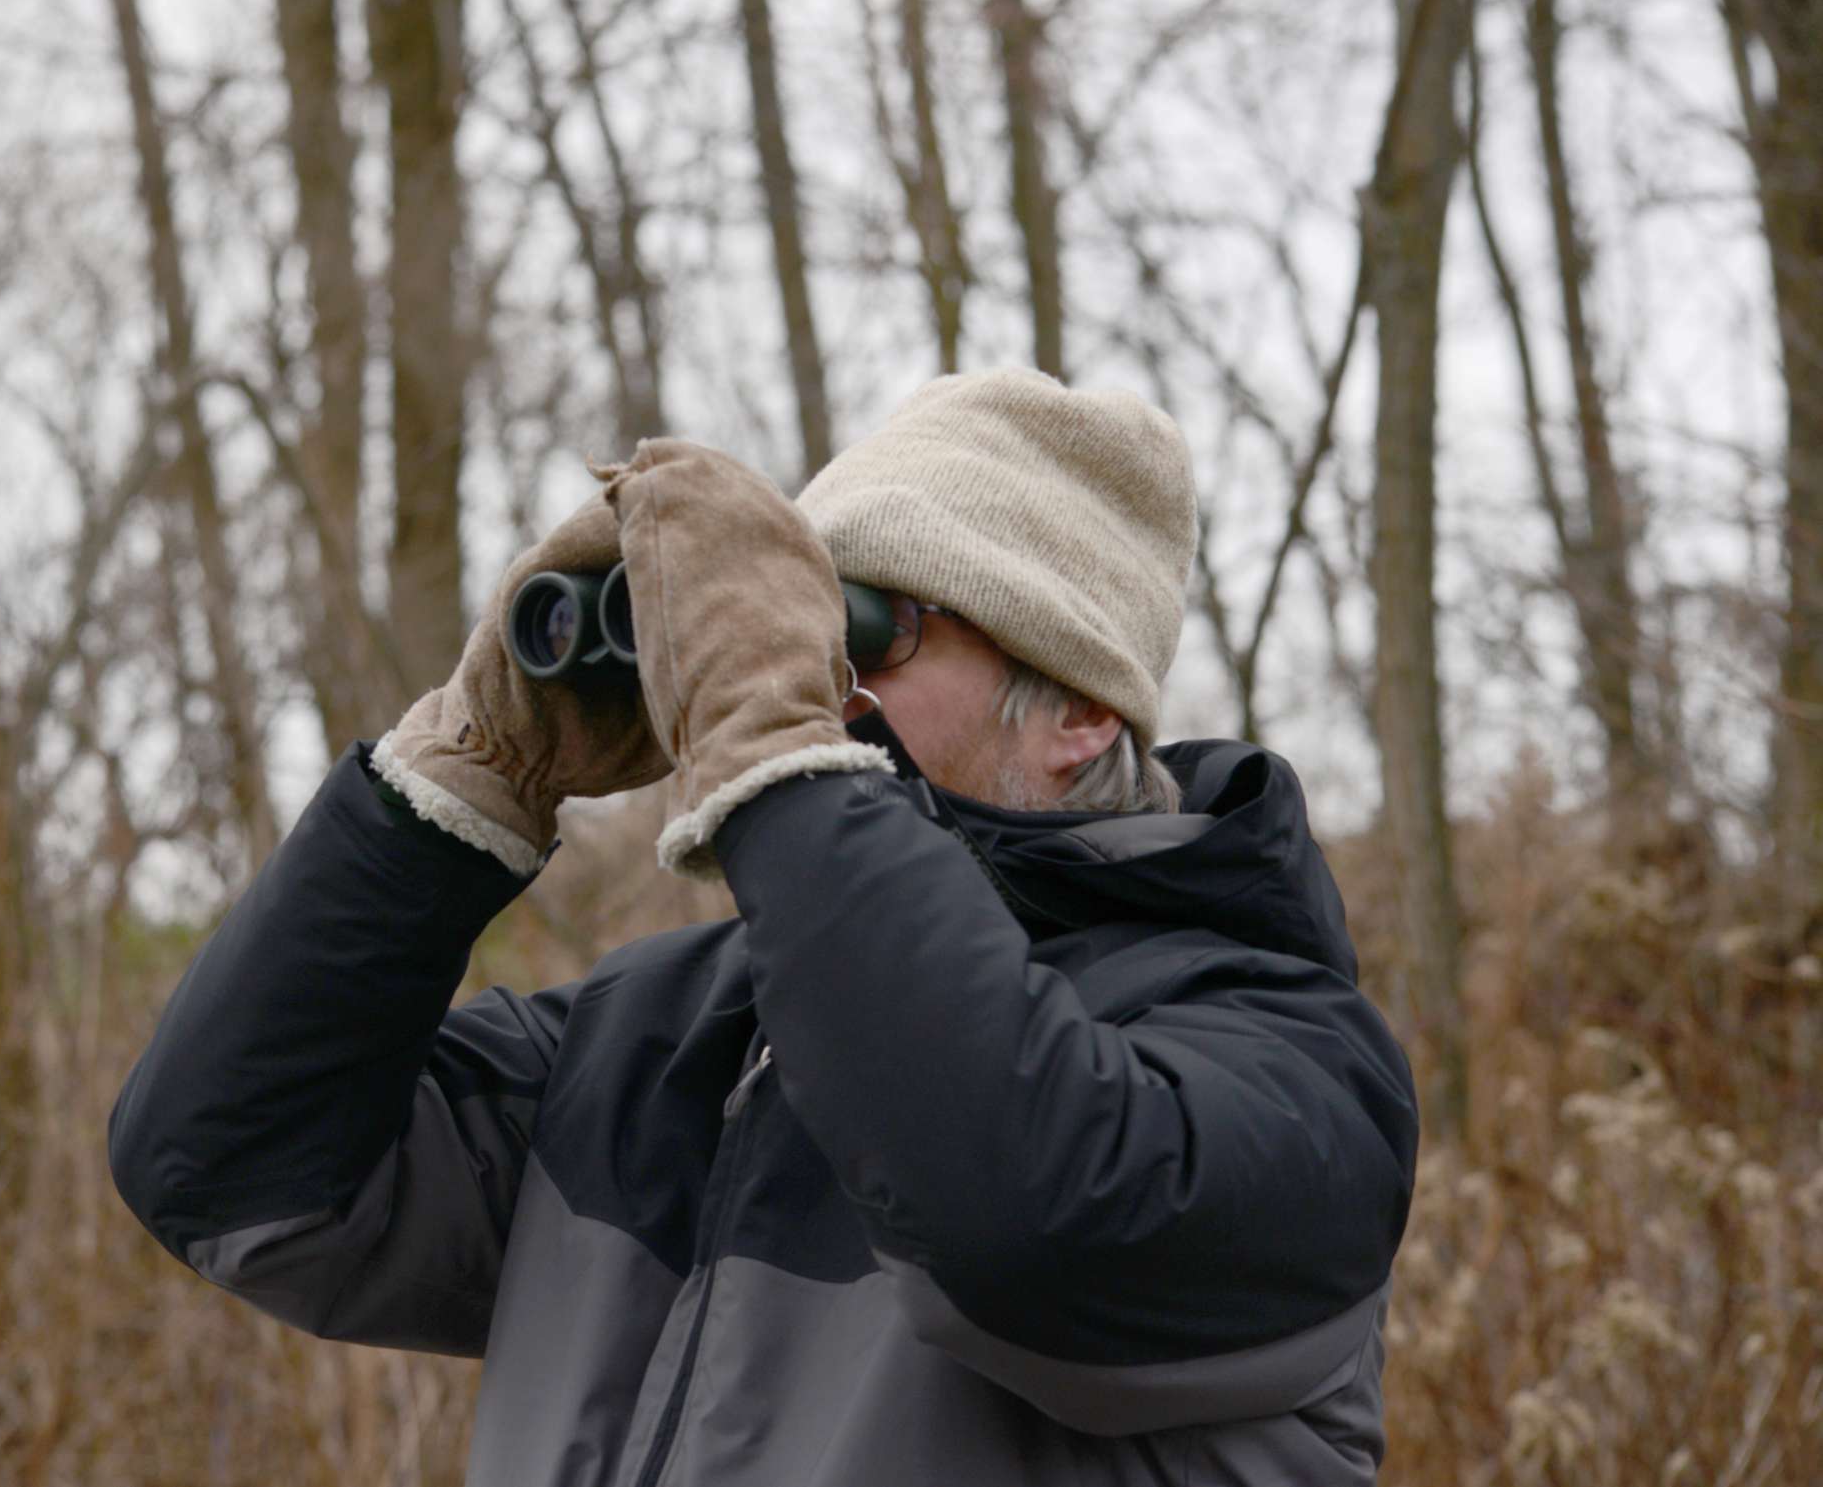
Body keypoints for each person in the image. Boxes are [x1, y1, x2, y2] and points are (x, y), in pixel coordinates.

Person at [108, 369, 1419, 1485]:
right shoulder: (662, 1041)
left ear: (1076, 710)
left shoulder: (1293, 1066)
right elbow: (232, 1173)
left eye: (864, 631)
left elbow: (1021, 1213)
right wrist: (465, 776)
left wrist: (775, 760)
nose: (809, 679)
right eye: (783, 623)